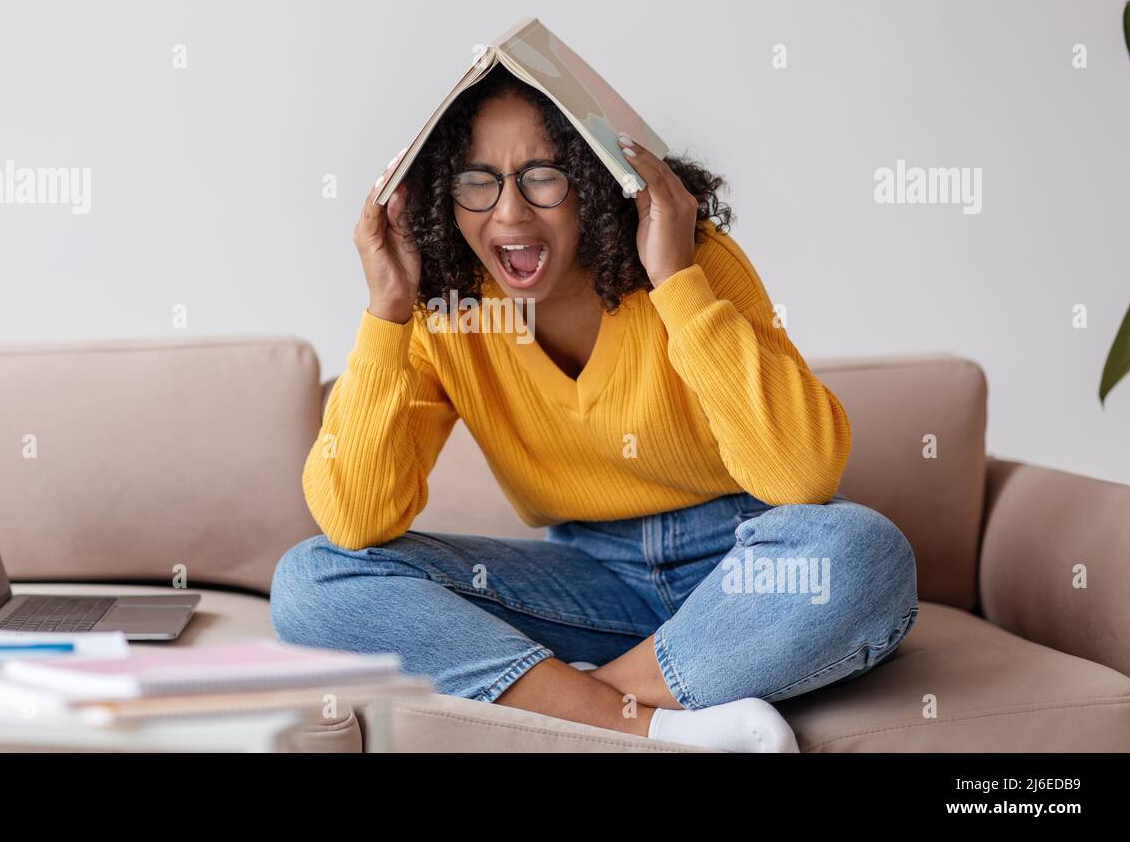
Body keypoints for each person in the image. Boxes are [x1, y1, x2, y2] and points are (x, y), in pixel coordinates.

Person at [271, 65, 918, 752]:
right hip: (592, 585)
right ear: (444, 196)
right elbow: (354, 518)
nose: (510, 212)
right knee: (313, 579)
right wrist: (387, 314)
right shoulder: (446, 309)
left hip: (743, 565)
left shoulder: (690, 265)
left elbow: (802, 476)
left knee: (860, 552)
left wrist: (676, 282)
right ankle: (652, 721)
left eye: (543, 176)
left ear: (594, 178)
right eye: (477, 179)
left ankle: (581, 712)